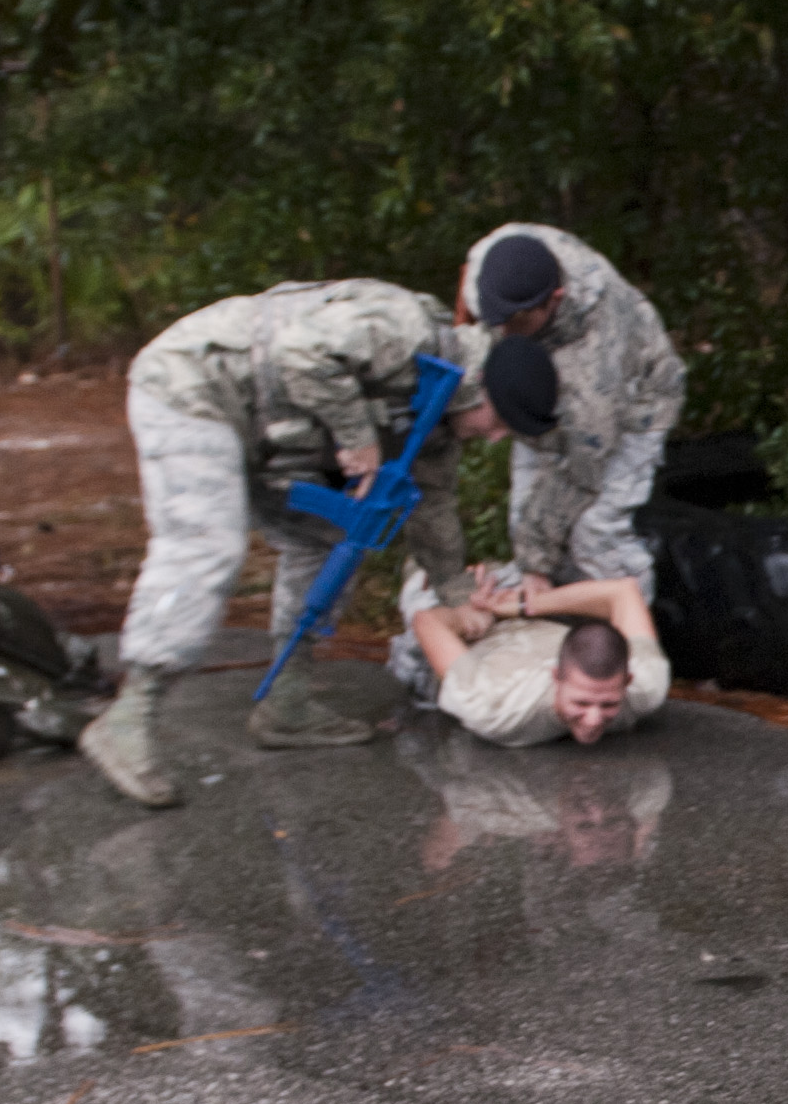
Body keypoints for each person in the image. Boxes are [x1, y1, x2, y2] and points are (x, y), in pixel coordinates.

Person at [80, 277, 545, 809]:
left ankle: (288, 702)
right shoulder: (407, 329)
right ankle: (130, 714)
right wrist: (358, 437)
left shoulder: (438, 422)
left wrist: (457, 594)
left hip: (266, 432)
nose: (494, 438)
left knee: (327, 540)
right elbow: (303, 352)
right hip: (194, 388)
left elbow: (433, 511)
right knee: (207, 545)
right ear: (483, 387)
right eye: (500, 423)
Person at [456, 225, 687, 594]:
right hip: (534, 384)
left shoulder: (598, 355)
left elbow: (581, 471)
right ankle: (550, 614)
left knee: (594, 534)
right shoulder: (497, 258)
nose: (506, 333)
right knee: (525, 518)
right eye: (500, 321)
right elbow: (472, 314)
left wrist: (535, 559)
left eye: (519, 323)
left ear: (556, 298)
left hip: (632, 406)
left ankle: (624, 630)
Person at [407, 571, 670, 750]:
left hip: (512, 615)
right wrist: (466, 617)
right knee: (424, 584)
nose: (593, 720)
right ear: (555, 677)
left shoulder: (647, 684)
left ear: (628, 681)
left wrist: (524, 605)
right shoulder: (493, 704)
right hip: (472, 624)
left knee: (495, 577)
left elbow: (623, 592)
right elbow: (426, 620)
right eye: (581, 702)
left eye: (609, 704)